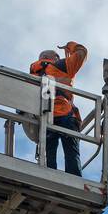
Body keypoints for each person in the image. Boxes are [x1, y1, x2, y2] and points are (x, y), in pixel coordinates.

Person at [30, 41, 87, 175]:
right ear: (52, 57)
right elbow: (82, 53)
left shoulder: (32, 74)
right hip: (65, 114)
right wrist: (70, 46)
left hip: (44, 117)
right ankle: (74, 181)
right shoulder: (60, 66)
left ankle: (48, 177)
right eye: (57, 57)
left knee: (49, 156)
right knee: (71, 154)